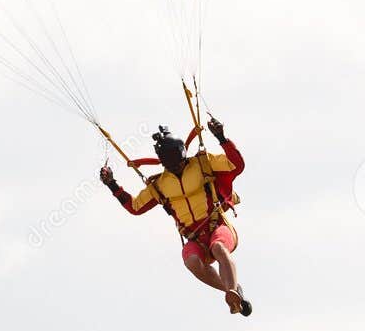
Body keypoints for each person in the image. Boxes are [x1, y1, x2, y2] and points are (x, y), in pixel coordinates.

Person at [99, 117, 251, 316]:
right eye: (172, 167)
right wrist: (112, 184)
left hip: (218, 227)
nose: (177, 169)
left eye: (178, 164)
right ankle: (232, 293)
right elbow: (135, 206)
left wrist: (222, 138)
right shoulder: (161, 184)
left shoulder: (203, 164)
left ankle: (232, 290)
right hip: (195, 238)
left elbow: (235, 165)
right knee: (191, 262)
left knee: (218, 248)